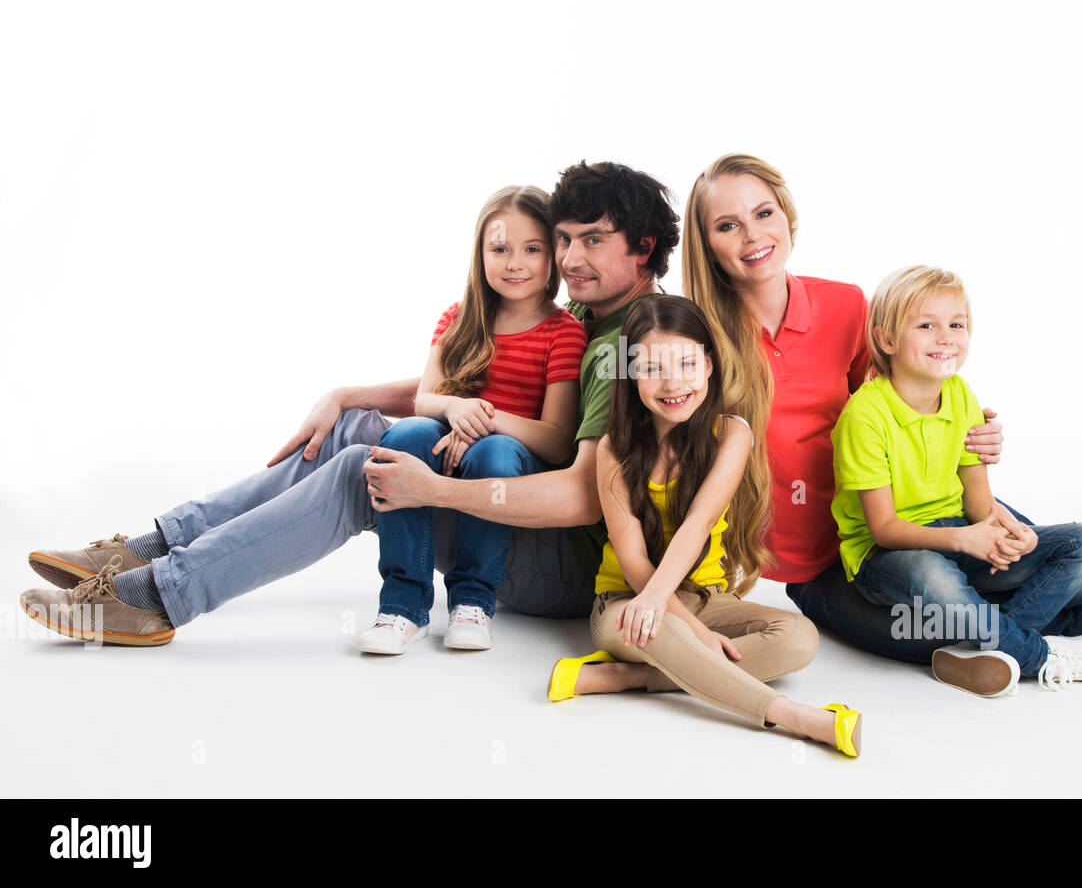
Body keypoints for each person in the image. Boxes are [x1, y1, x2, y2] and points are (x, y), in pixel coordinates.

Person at [18, 161, 685, 647]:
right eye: (563, 240)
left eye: (590, 240)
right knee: (362, 429)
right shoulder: (584, 313)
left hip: (557, 564)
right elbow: (478, 388)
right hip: (513, 515)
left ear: (643, 248)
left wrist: (429, 491)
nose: (567, 258)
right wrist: (348, 395)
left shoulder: (625, 346)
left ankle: (162, 595)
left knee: (367, 472)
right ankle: (157, 546)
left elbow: (580, 498)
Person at [680, 153, 1082, 678]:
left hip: (928, 504)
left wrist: (969, 435)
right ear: (706, 242)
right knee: (932, 636)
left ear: (786, 216)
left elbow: (894, 395)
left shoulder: (844, 303)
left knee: (1037, 557)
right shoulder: (699, 336)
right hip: (830, 558)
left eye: (763, 213)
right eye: (726, 225)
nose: (751, 234)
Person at [546, 295, 860, 757]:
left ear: (709, 365)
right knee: (662, 631)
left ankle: (628, 678)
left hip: (707, 597)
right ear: (631, 373)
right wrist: (674, 617)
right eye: (652, 368)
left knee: (799, 638)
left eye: (687, 363)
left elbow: (700, 522)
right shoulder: (614, 448)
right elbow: (632, 559)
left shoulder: (732, 433)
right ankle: (794, 716)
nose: (673, 383)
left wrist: (695, 623)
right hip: (628, 603)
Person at [833, 264, 1082, 695]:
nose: (946, 337)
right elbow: (884, 529)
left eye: (956, 324)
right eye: (927, 325)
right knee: (936, 580)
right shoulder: (865, 415)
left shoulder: (962, 394)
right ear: (887, 340)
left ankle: (990, 650)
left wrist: (1007, 529)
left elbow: (977, 501)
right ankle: (1040, 657)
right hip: (887, 555)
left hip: (959, 530)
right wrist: (964, 540)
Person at [359, 185, 588, 655]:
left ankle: (473, 602)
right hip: (448, 446)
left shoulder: (563, 333)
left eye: (532, 249)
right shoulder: (458, 318)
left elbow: (557, 441)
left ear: (552, 257)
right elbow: (426, 399)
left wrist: (483, 419)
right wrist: (456, 408)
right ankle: (403, 607)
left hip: (511, 467)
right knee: (405, 433)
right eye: (499, 249)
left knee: (495, 450)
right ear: (480, 254)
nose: (515, 263)